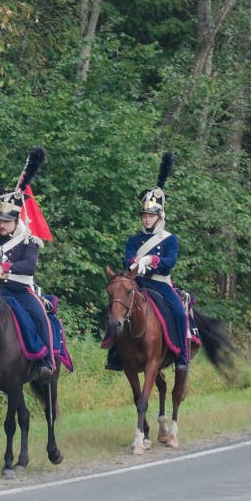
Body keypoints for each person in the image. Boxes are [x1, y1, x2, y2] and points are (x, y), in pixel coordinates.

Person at [105, 152, 187, 373]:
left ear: (160, 216)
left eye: (151, 216)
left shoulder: (170, 239)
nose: (146, 219)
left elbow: (170, 262)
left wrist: (152, 260)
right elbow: (127, 257)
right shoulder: (135, 239)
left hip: (160, 284)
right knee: (115, 307)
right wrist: (135, 262)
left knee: (179, 312)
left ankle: (181, 356)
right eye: (144, 215)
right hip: (138, 284)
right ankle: (113, 352)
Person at [0, 187, 54, 381]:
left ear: (16, 220)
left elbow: (29, 266)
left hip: (20, 290)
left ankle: (45, 362)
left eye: (6, 221)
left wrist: (3, 266)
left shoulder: (29, 241)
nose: (1, 225)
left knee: (39, 316)